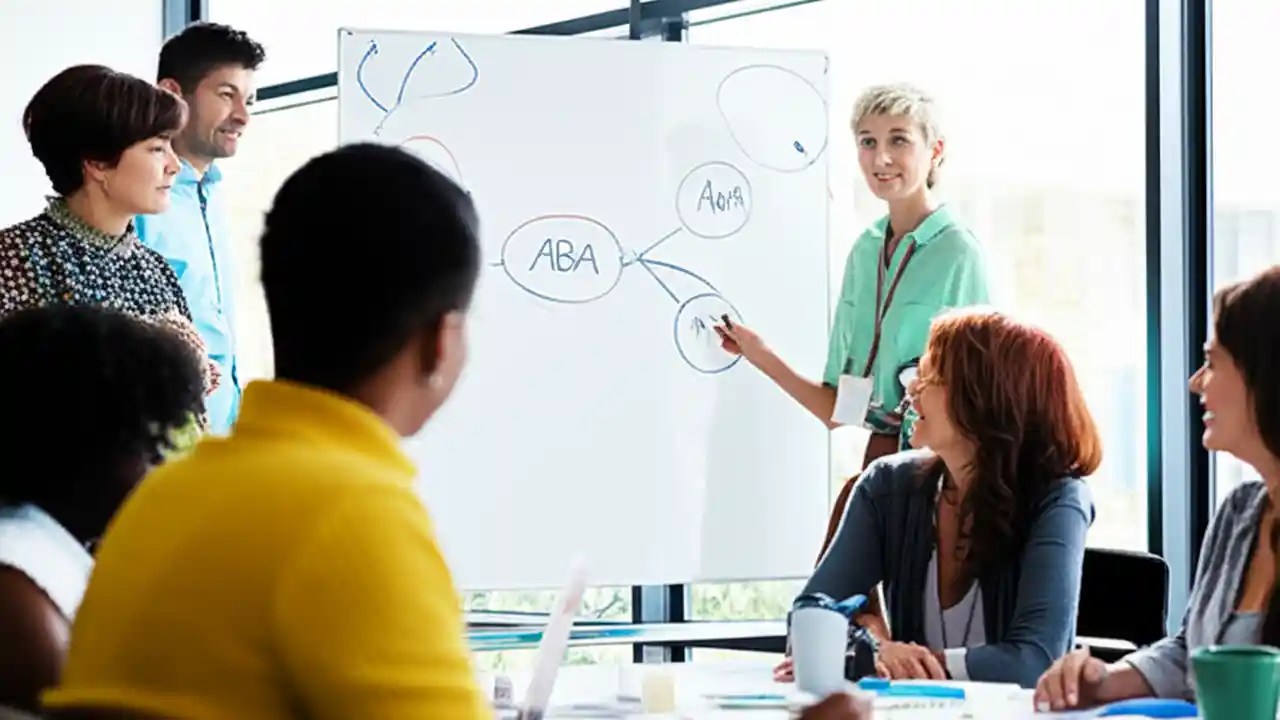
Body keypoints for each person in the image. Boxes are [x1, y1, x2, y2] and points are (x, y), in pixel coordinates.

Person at [776, 308, 1100, 688]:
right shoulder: (887, 487)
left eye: (931, 377)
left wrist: (910, 663)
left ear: (987, 399)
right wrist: (874, 648)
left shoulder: (1058, 499)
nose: (911, 389)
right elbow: (811, 615)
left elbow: (1035, 661)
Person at [1034, 265, 1280, 712]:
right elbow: (1189, 654)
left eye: (1212, 363)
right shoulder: (1241, 512)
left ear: (1266, 378)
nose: (1195, 383)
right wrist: (1103, 680)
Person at [717, 82, 990, 470]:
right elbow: (838, 409)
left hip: (946, 468)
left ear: (936, 151)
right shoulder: (866, 251)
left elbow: (986, 393)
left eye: (899, 140)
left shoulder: (959, 252)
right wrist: (757, 353)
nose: (880, 158)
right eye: (867, 142)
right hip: (882, 465)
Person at [0, 305, 206, 713]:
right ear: (86, 442)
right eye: (146, 448)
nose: (158, 469)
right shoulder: (17, 584)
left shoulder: (50, 545)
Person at [0, 64, 218, 404]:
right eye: (158, 148)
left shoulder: (156, 270)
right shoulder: (12, 259)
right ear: (97, 163)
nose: (174, 165)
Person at [136, 22, 266, 434]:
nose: (242, 116)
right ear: (173, 93)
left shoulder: (212, 195)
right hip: (157, 441)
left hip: (218, 438)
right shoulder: (137, 198)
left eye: (249, 99)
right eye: (226, 95)